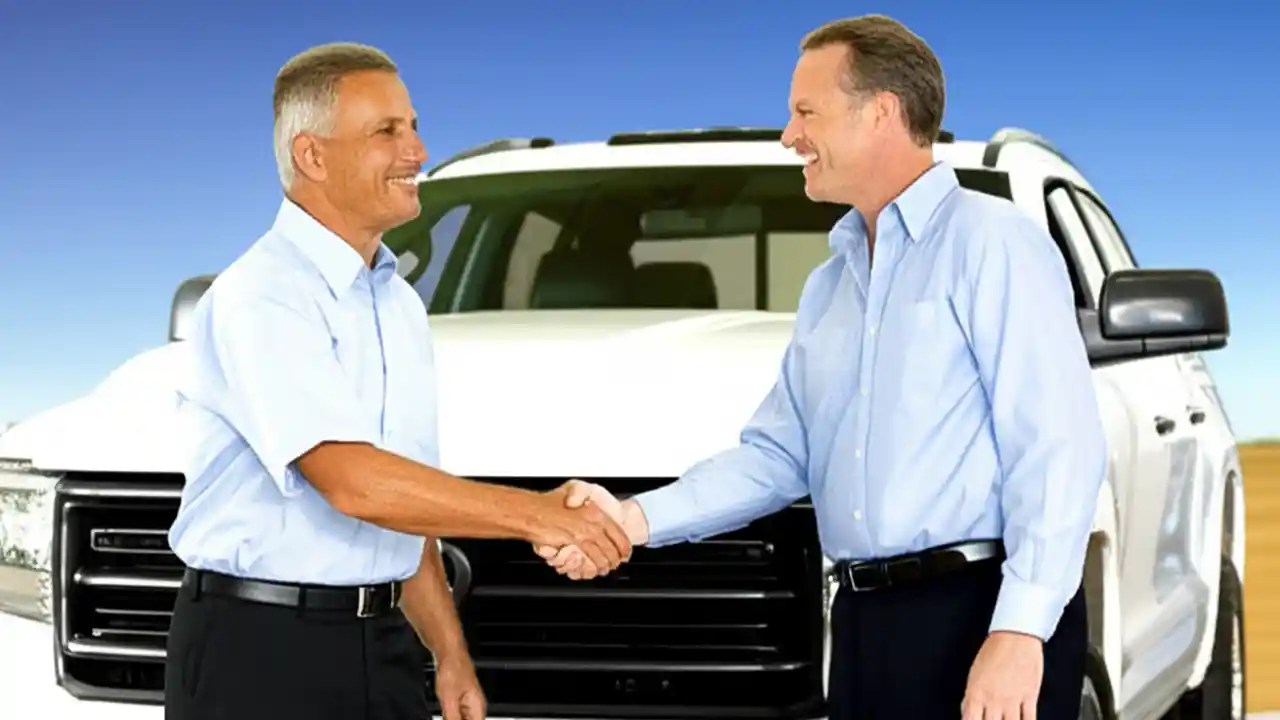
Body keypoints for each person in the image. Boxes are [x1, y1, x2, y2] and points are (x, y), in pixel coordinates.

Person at [538, 14, 1107, 720]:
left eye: (806, 112)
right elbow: (779, 457)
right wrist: (631, 518)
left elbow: (1056, 449)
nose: (789, 135)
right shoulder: (832, 286)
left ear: (882, 113)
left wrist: (1020, 629)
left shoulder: (996, 246)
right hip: (867, 622)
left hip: (980, 610)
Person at [164, 42, 631, 720]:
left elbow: (405, 505)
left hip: (382, 645)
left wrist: (448, 654)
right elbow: (352, 482)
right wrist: (537, 515)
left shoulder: (397, 302)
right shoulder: (262, 296)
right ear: (312, 155)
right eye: (388, 132)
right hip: (260, 650)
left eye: (413, 126)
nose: (417, 151)